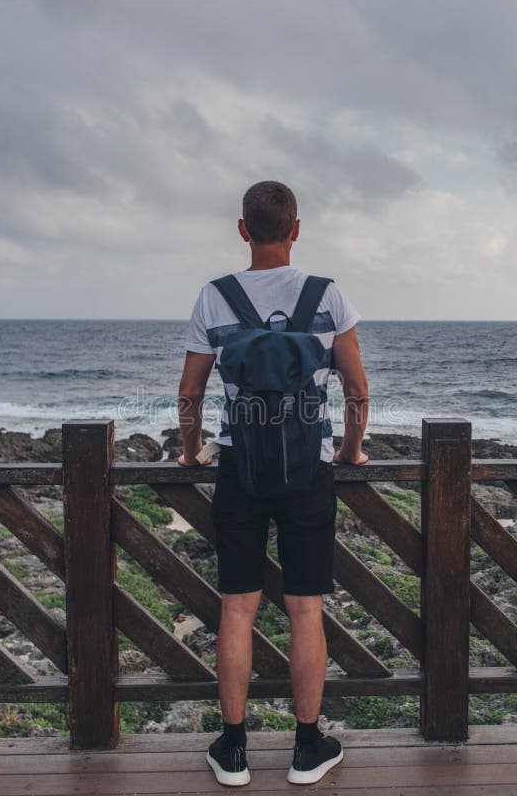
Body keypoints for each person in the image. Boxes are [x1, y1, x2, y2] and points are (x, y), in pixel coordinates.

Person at [177, 180, 370, 787]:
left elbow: (190, 394)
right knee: (305, 608)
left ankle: (233, 751)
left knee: (237, 608)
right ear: (296, 230)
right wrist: (350, 448)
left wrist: (190, 452)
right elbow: (357, 390)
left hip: (239, 470)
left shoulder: (215, 297)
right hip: (307, 471)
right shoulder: (327, 295)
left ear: (242, 230)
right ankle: (307, 748)